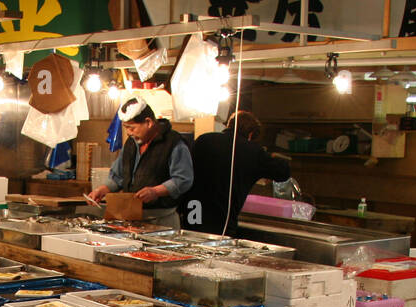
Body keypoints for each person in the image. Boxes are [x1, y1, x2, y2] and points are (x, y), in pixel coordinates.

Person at [179, 111, 291, 233]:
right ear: (250, 134)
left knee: (190, 242)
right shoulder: (252, 151)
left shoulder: (204, 140)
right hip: (221, 218)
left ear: (229, 125)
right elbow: (283, 172)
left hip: (193, 210)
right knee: (215, 248)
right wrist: (273, 157)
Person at [91, 97, 193, 228]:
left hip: (162, 220)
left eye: (131, 128)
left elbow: (183, 179)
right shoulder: (131, 144)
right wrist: (103, 189)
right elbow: (118, 176)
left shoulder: (174, 143)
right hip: (132, 220)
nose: (128, 133)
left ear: (148, 122)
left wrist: (155, 191)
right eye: (126, 128)